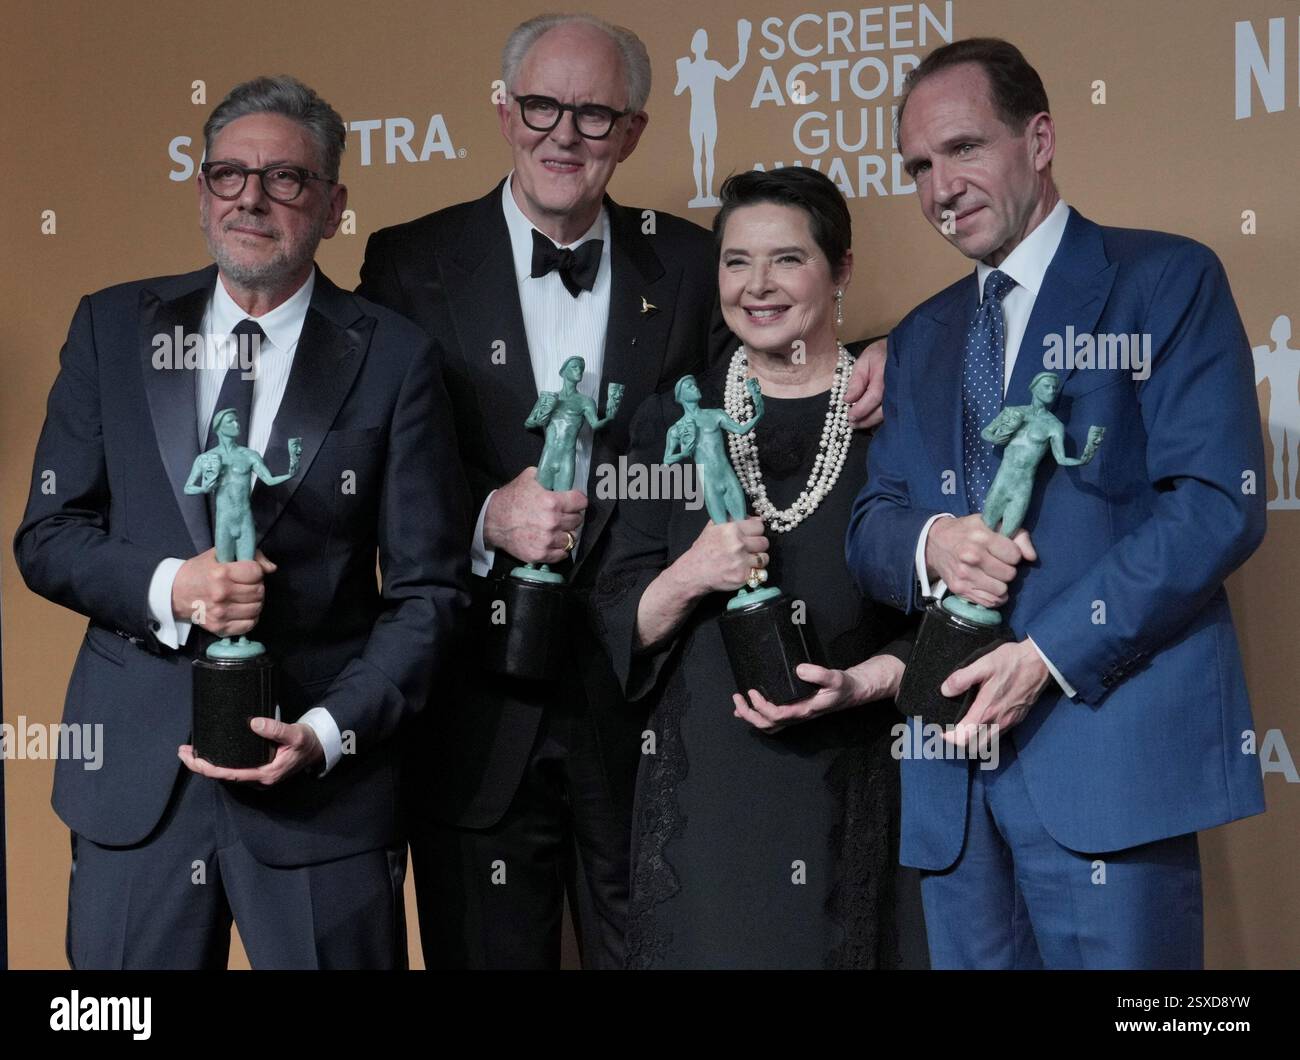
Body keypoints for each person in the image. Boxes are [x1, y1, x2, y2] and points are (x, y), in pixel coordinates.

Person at [359, 13, 887, 970]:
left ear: (636, 131)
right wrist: (487, 514)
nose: (564, 133)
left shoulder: (694, 264)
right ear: (503, 109)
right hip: (476, 712)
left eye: (596, 114)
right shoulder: (407, 261)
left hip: (648, 721)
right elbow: (381, 465)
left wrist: (898, 347)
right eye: (542, 106)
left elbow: (785, 366)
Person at [14, 75, 470, 969]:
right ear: (201, 191)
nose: (251, 198)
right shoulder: (111, 327)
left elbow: (429, 593)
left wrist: (329, 733)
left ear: (334, 205)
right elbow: (49, 534)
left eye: (285, 179)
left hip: (320, 800)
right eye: (228, 175)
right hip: (134, 789)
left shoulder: (397, 358)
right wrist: (171, 587)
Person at [845, 38, 1266, 969]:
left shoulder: (1164, 281)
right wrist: (931, 542)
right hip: (951, 785)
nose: (939, 186)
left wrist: (1047, 654)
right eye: (918, 166)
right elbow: (871, 527)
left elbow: (1215, 505)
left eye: (963, 149)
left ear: (1038, 139)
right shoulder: (916, 337)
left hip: (1108, 763)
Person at [593, 167, 927, 969]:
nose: (758, 285)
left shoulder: (900, 411)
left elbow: (961, 618)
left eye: (787, 259)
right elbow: (614, 620)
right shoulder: (672, 415)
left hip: (862, 789)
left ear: (840, 269)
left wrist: (869, 681)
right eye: (736, 261)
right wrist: (693, 572)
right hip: (709, 807)